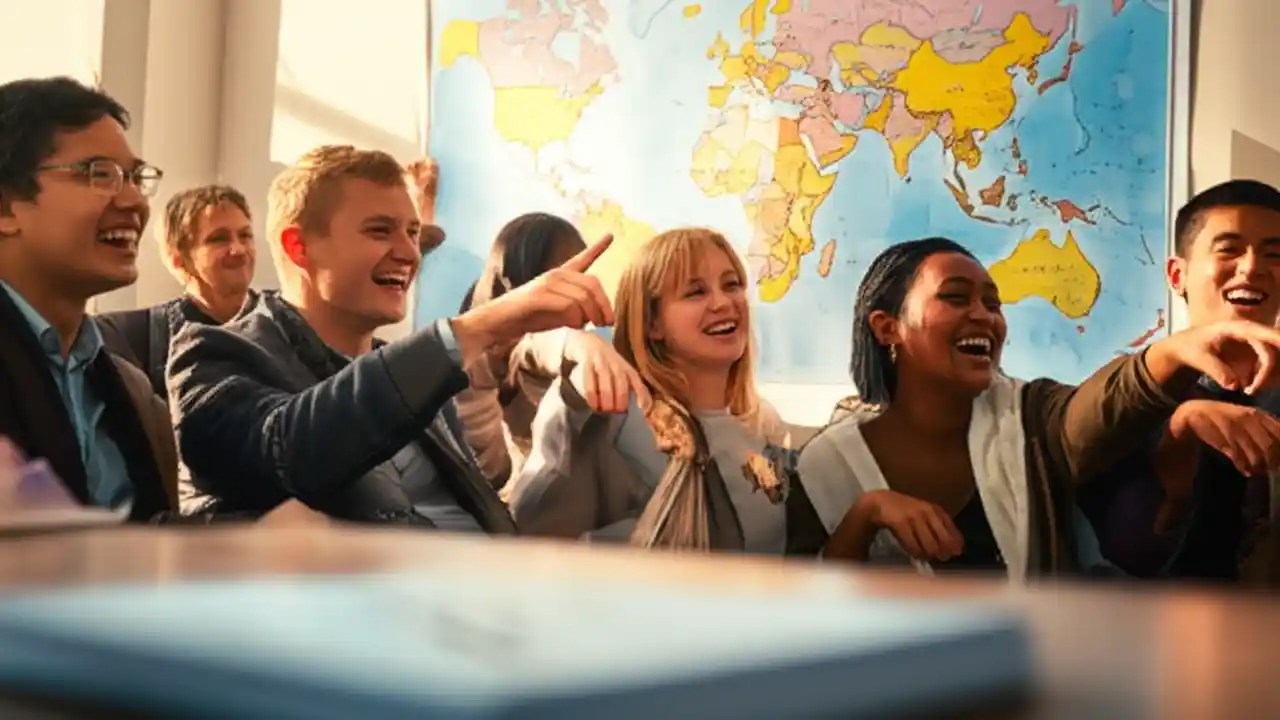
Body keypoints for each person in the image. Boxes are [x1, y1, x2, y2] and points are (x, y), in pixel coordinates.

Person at [168, 145, 614, 528]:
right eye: (380, 231)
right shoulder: (212, 356)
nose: (407, 253)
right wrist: (485, 322)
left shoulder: (416, 382)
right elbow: (294, 449)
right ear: (298, 247)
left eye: (413, 232)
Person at [798, 236, 1280, 580]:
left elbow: (1101, 410)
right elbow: (800, 606)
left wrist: (1172, 353)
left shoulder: (1030, 416)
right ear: (887, 328)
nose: (984, 316)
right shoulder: (825, 463)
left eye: (993, 303)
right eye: (955, 298)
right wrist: (868, 514)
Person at [507, 228, 828, 554]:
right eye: (695, 292)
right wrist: (572, 342)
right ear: (652, 324)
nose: (722, 302)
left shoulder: (762, 422)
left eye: (731, 285)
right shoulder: (618, 414)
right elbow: (521, 365)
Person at [1079, 180, 1280, 582]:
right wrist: (1177, 437)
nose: (1252, 267)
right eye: (1229, 249)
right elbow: (1123, 554)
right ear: (1177, 275)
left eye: (1274, 254)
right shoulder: (1130, 402)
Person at [0, 77, 176, 520]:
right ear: (6, 208)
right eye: (100, 174)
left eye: (135, 177)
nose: (134, 200)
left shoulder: (129, 386)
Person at [454, 212, 588, 490]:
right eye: (559, 289)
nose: (576, 308)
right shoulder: (459, 374)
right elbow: (488, 474)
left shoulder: (563, 371)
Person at [97, 184, 259, 398]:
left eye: (245, 235)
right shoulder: (132, 336)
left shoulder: (284, 325)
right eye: (219, 239)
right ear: (178, 259)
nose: (238, 249)